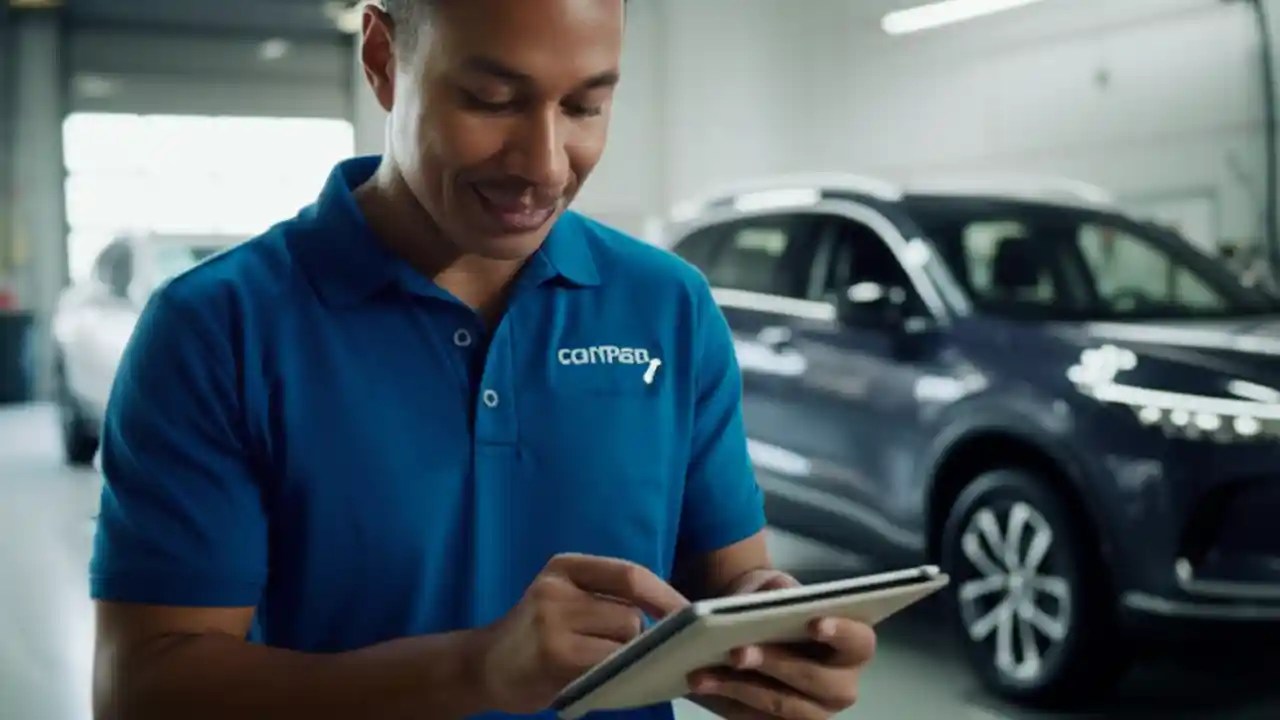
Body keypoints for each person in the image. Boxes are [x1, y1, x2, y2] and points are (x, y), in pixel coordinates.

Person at [89, 1, 877, 718]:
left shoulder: (668, 307)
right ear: (382, 58)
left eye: (584, 106)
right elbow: (146, 690)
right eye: (492, 100)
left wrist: (772, 643)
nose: (544, 165)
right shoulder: (217, 328)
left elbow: (725, 583)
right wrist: (475, 670)